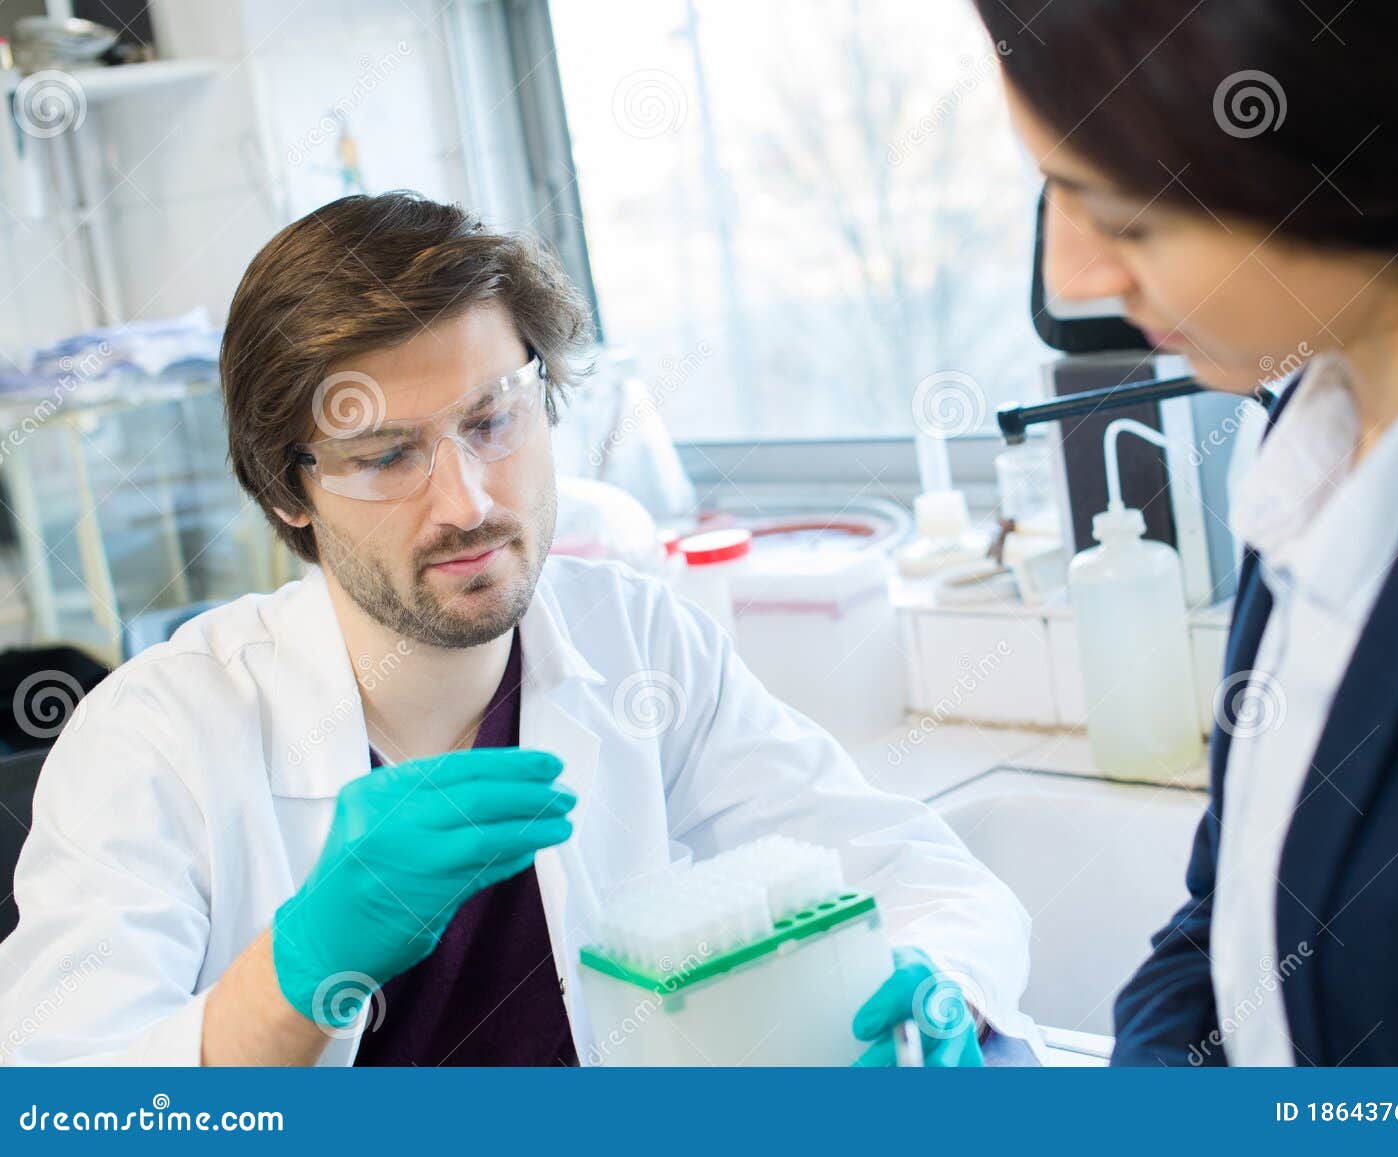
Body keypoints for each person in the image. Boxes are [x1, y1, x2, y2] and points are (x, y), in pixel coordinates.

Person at [0, 192, 1027, 1067]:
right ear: (287, 490)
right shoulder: (154, 738)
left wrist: (941, 984)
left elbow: (921, 876)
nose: (467, 500)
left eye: (492, 420)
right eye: (388, 454)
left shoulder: (639, 645)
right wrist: (294, 970)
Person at [939, 0, 1398, 1064]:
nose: (1073, 279)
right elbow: (1229, 917)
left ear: (1353, 148)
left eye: (1124, 216)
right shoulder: (1316, 431)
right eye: (1052, 192)